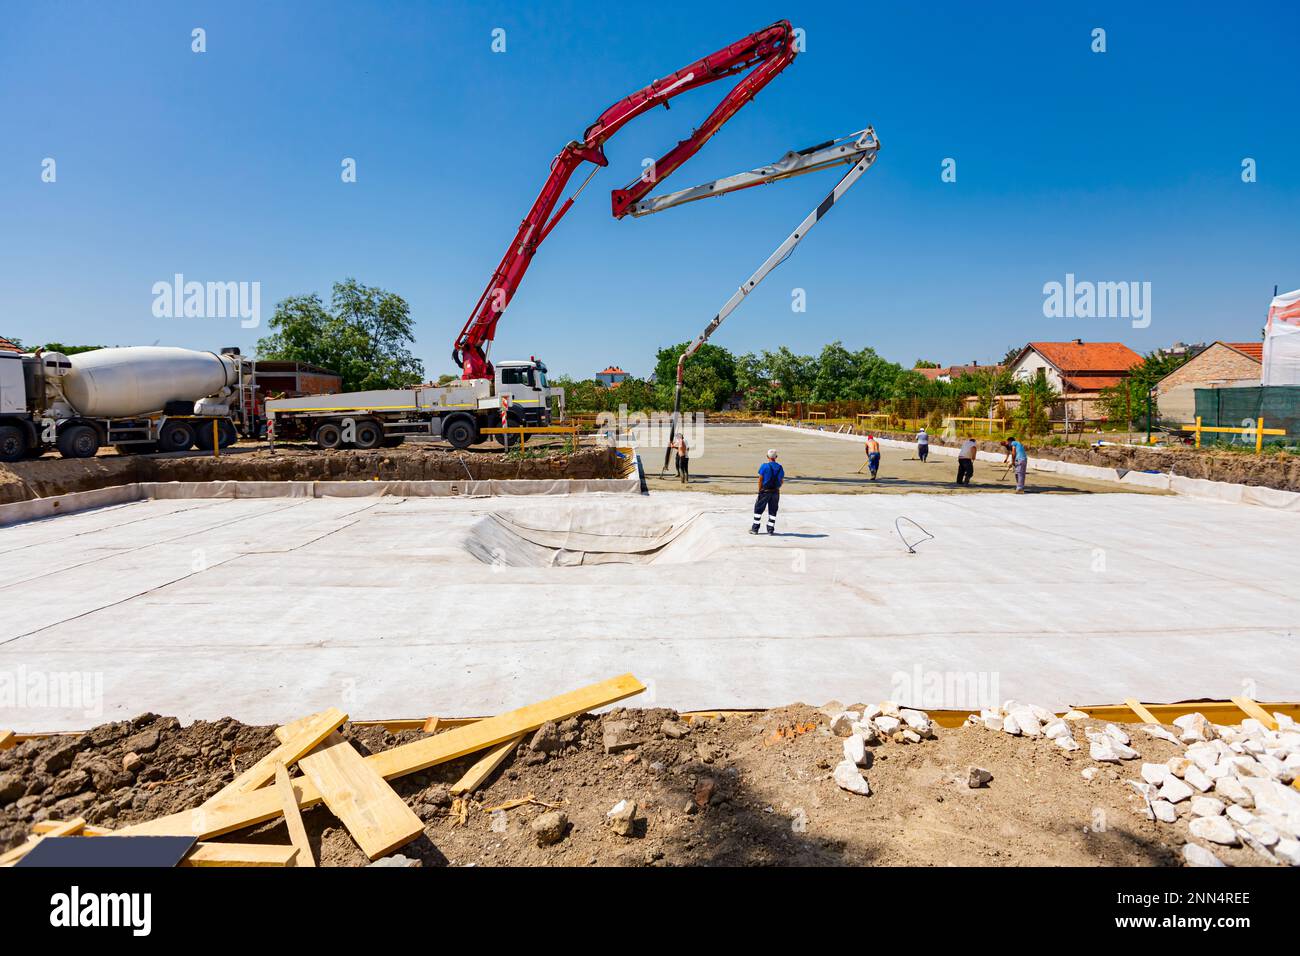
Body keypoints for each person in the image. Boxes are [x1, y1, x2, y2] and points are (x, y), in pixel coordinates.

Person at [751, 448, 784, 535]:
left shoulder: (764, 466)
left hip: (765, 491)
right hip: (775, 492)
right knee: (773, 510)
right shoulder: (780, 468)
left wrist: (759, 490)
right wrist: (778, 487)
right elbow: (781, 481)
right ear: (776, 457)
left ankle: (755, 529)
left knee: (758, 509)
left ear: (767, 457)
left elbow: (760, 479)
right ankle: (770, 529)